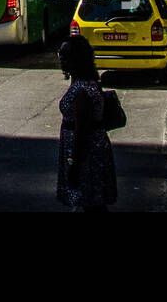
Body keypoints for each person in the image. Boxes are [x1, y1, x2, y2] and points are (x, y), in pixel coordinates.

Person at [56, 36, 118, 212]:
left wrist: (74, 162)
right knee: (92, 202)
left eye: (66, 55)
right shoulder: (87, 82)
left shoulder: (82, 89)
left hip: (87, 152)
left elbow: (82, 129)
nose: (61, 60)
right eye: (61, 54)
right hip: (92, 148)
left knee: (91, 202)